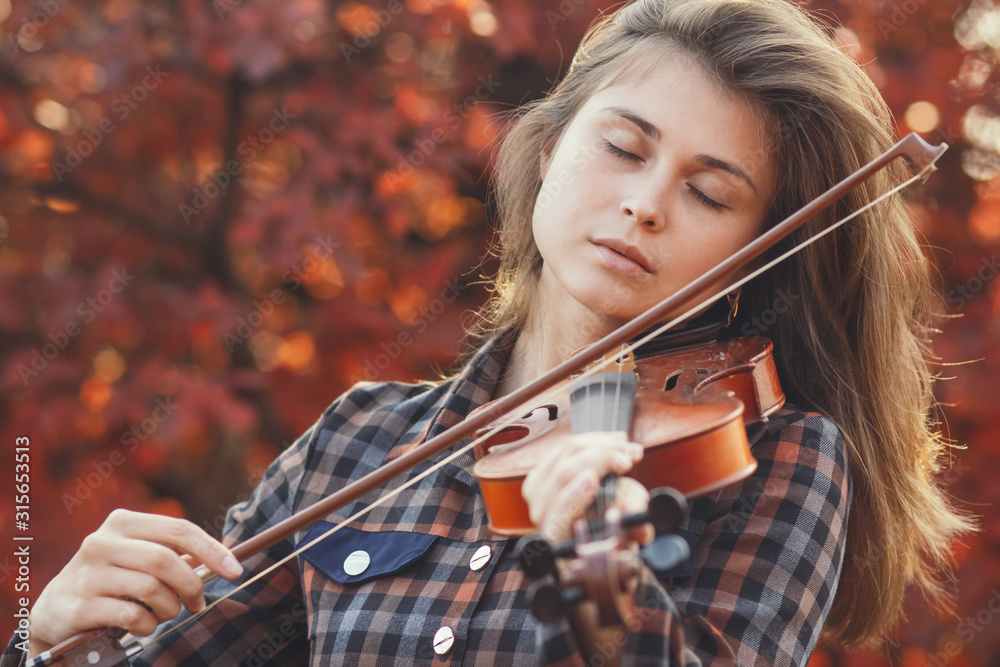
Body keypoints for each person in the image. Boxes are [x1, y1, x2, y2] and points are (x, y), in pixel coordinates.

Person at [9, 0, 974, 665]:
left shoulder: (774, 455)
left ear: (754, 245)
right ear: (552, 147)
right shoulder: (361, 442)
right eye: (623, 147)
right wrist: (54, 639)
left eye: (709, 191)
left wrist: (603, 578)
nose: (643, 205)